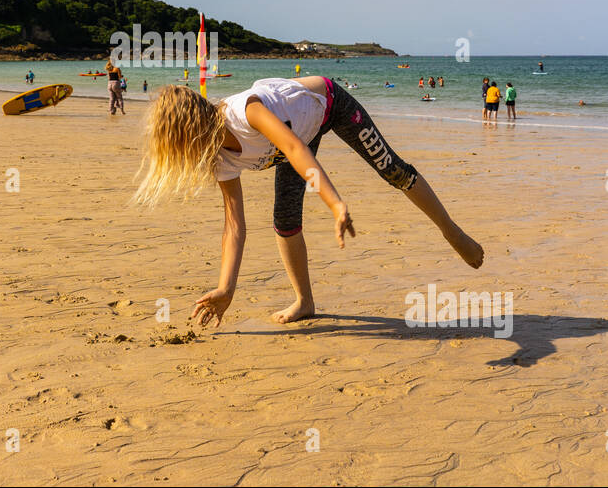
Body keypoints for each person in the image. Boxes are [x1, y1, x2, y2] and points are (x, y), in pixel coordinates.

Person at [134, 78, 484, 326]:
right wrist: (227, 287)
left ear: (190, 133)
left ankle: (451, 231)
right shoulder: (218, 158)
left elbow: (293, 148)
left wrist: (334, 203)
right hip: (294, 141)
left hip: (329, 107)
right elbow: (235, 225)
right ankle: (305, 301)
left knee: (392, 169)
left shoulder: (246, 112)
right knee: (284, 220)